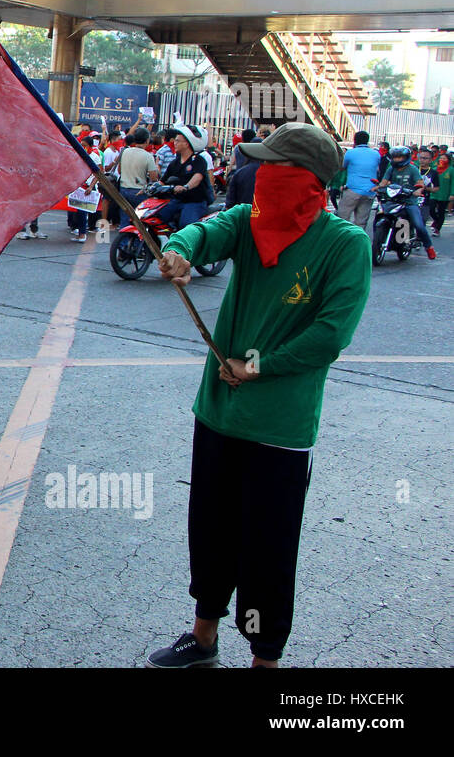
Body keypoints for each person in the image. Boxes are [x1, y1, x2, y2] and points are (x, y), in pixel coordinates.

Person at [148, 123, 370, 668]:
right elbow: (206, 231)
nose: (261, 177)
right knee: (211, 529)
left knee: (267, 550)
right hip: (218, 412)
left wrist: (258, 366)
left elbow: (330, 335)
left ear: (307, 182)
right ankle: (204, 637)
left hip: (280, 426)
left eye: (274, 168)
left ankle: (265, 658)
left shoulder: (345, 245)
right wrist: (178, 250)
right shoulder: (250, 223)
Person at [376, 146, 436, 260]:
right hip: (393, 200)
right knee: (379, 215)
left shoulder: (412, 169)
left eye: (400, 157)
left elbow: (420, 183)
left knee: (419, 225)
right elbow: (384, 182)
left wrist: (418, 190)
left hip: (409, 201)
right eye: (395, 157)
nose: (397, 160)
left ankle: (429, 247)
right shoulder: (391, 169)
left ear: (406, 157)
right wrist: (377, 188)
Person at [153, 124, 210, 230]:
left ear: (187, 144)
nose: (175, 143)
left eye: (178, 141)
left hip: (194, 202)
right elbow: (163, 181)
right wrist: (152, 187)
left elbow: (197, 177)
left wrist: (186, 186)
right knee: (157, 217)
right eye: (175, 140)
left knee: (186, 227)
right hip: (177, 200)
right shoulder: (174, 163)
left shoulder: (198, 160)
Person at [118, 128, 159, 210]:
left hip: (123, 189)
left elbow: (119, 171)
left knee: (125, 217)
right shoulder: (148, 156)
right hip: (139, 191)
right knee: (139, 218)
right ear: (147, 141)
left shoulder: (125, 152)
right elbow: (154, 178)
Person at [430, 152, 451, 237]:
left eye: (444, 158)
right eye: (441, 158)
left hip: (444, 194)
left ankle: (437, 229)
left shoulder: (451, 170)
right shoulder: (434, 169)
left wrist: (452, 194)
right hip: (434, 193)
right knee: (431, 209)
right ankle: (436, 220)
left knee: (441, 212)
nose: (442, 160)